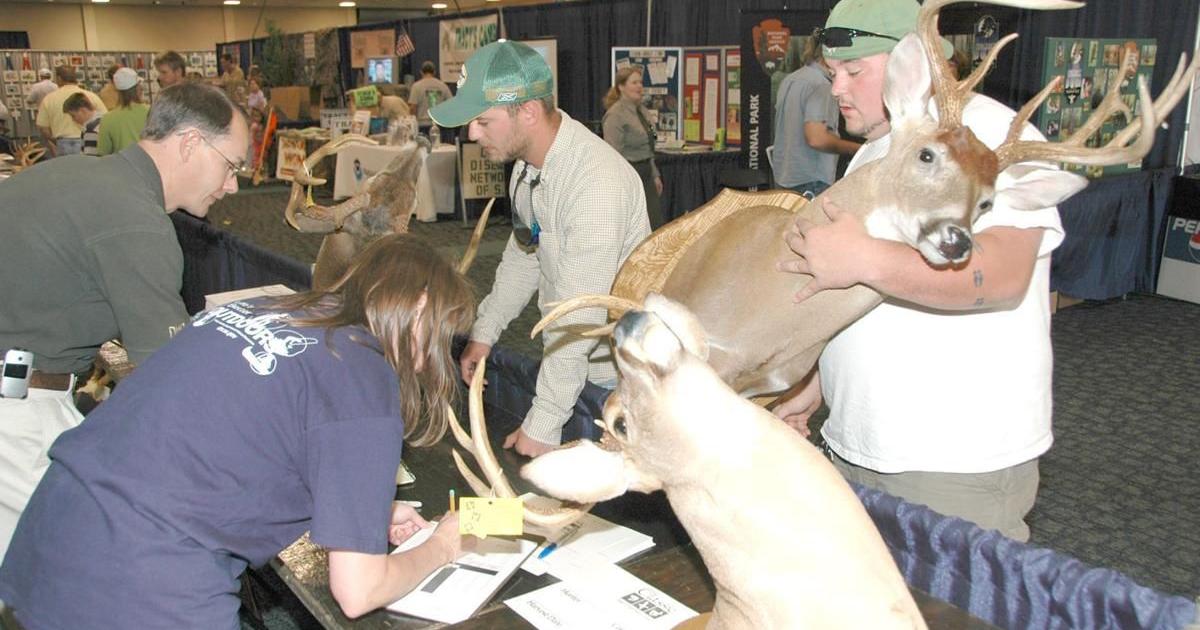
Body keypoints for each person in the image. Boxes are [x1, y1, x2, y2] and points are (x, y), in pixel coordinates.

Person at [0, 234, 476, 627]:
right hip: (142, 586)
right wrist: (441, 545)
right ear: (419, 307)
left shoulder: (260, 310)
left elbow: (232, 436)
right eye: (441, 331)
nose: (434, 353)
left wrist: (365, 507)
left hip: (50, 541)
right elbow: (359, 591)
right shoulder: (364, 374)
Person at [774, 0, 1066, 542]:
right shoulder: (875, 151)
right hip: (855, 446)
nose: (837, 89)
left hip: (953, 462)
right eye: (833, 73)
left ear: (912, 63)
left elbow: (1002, 276)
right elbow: (862, 292)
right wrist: (816, 382)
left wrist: (862, 257)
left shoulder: (991, 135)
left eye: (854, 72)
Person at [0, 83, 251, 562]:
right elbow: (172, 383)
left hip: (23, 386)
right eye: (231, 165)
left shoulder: (77, 174)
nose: (233, 184)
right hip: (15, 410)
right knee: (87, 571)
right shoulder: (138, 221)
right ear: (191, 143)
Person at [430, 40, 650, 457]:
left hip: (616, 383)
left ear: (527, 111)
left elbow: (579, 314)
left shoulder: (596, 184)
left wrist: (544, 421)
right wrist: (485, 332)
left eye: (482, 120)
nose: (472, 134)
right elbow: (524, 252)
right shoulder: (528, 167)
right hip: (572, 371)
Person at [772, 33, 860, 198]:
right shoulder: (821, 86)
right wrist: (858, 150)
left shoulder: (790, 79)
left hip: (783, 179)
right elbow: (816, 138)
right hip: (812, 181)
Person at [602, 66, 664, 228]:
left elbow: (648, 147)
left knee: (654, 223)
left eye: (640, 82)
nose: (639, 86)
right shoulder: (615, 115)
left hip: (646, 173)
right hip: (629, 173)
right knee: (636, 226)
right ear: (621, 87)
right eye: (634, 82)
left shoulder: (642, 111)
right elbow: (612, 153)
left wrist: (655, 174)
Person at [35, 65, 106, 157]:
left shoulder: (49, 99)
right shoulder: (90, 96)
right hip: (89, 139)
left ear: (59, 78)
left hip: (63, 143)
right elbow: (104, 118)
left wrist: (54, 141)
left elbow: (43, 127)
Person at [96, 67, 150, 156]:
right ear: (137, 88)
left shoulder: (107, 118)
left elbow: (103, 152)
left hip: (122, 167)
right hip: (148, 165)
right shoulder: (151, 111)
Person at [408, 60, 452, 138]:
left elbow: (413, 108)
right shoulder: (443, 86)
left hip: (422, 126)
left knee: (424, 149)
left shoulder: (416, 86)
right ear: (434, 72)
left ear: (421, 72)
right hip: (439, 126)